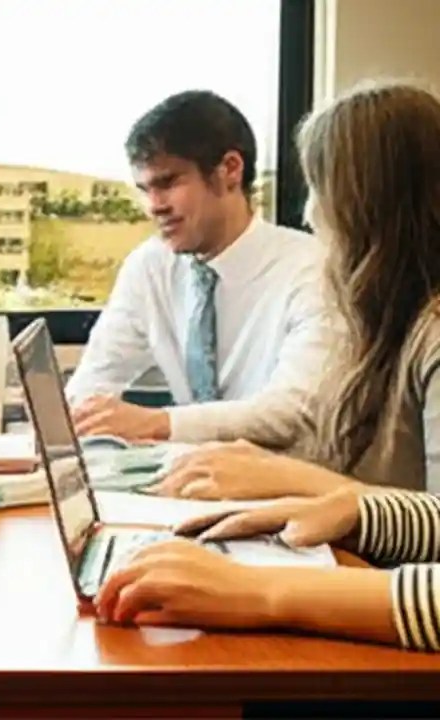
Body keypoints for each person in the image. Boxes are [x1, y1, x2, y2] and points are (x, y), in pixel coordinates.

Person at [97, 81, 440, 652]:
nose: (308, 213)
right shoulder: (405, 324)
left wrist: (257, 590)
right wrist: (335, 501)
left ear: (371, 205)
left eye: (320, 189)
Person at [65, 90, 334, 448]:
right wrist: (86, 421)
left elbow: (292, 411)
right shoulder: (150, 267)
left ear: (230, 170)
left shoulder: (312, 268)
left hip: (286, 486)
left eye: (168, 183)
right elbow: (91, 385)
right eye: (144, 189)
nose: (153, 206)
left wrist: (157, 423)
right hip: (190, 481)